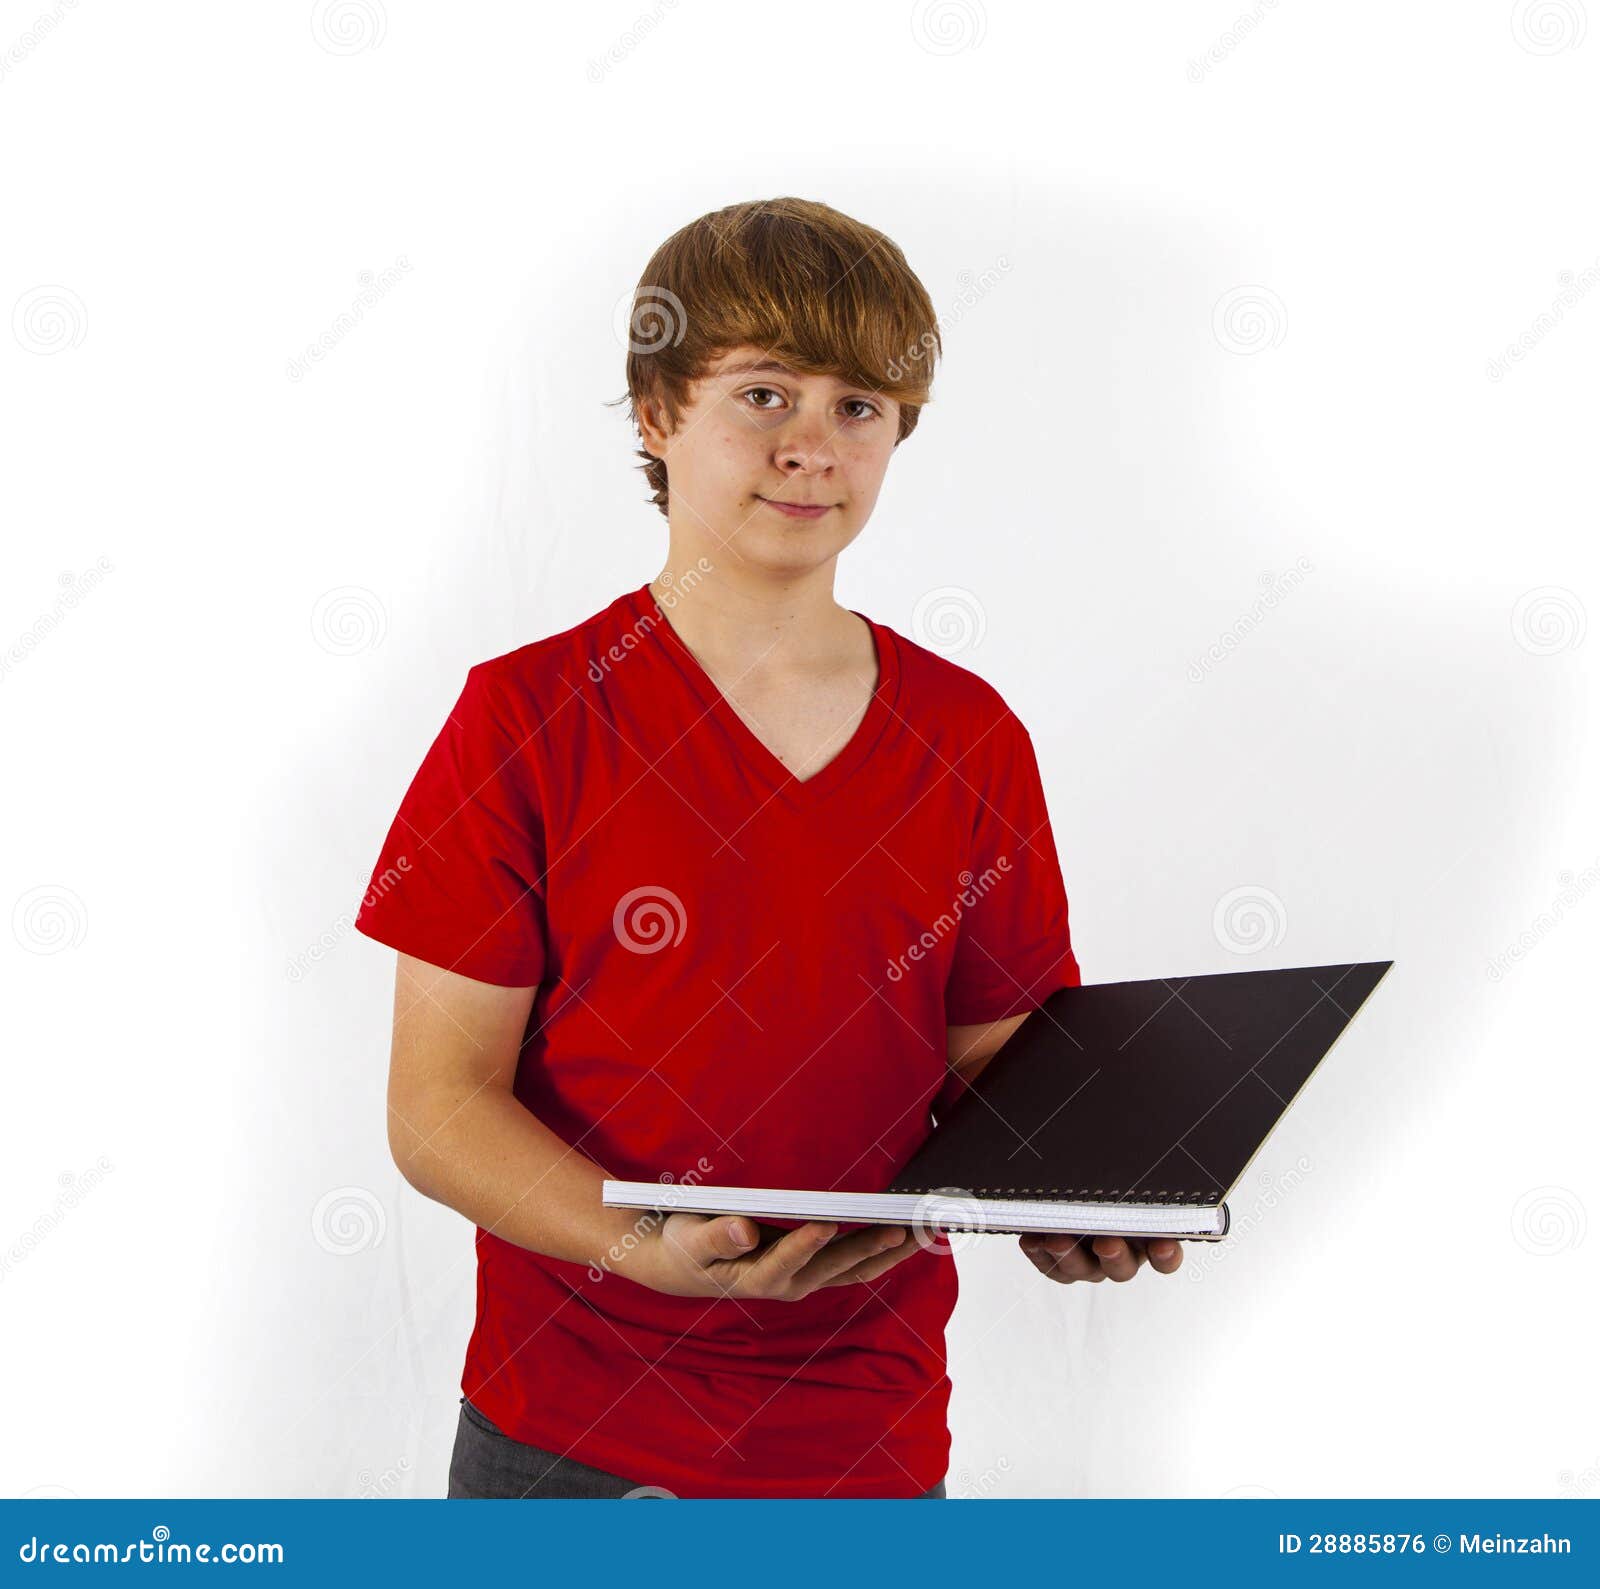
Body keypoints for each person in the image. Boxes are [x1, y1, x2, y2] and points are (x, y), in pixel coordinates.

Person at [354, 196, 1182, 1502]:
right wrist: (637, 1243)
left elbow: (993, 1075)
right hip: (568, 1447)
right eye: (764, 393)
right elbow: (439, 1102)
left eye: (859, 405)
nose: (813, 444)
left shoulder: (970, 739)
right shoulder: (525, 719)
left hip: (866, 1444)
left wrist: (1071, 1191)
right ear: (656, 415)